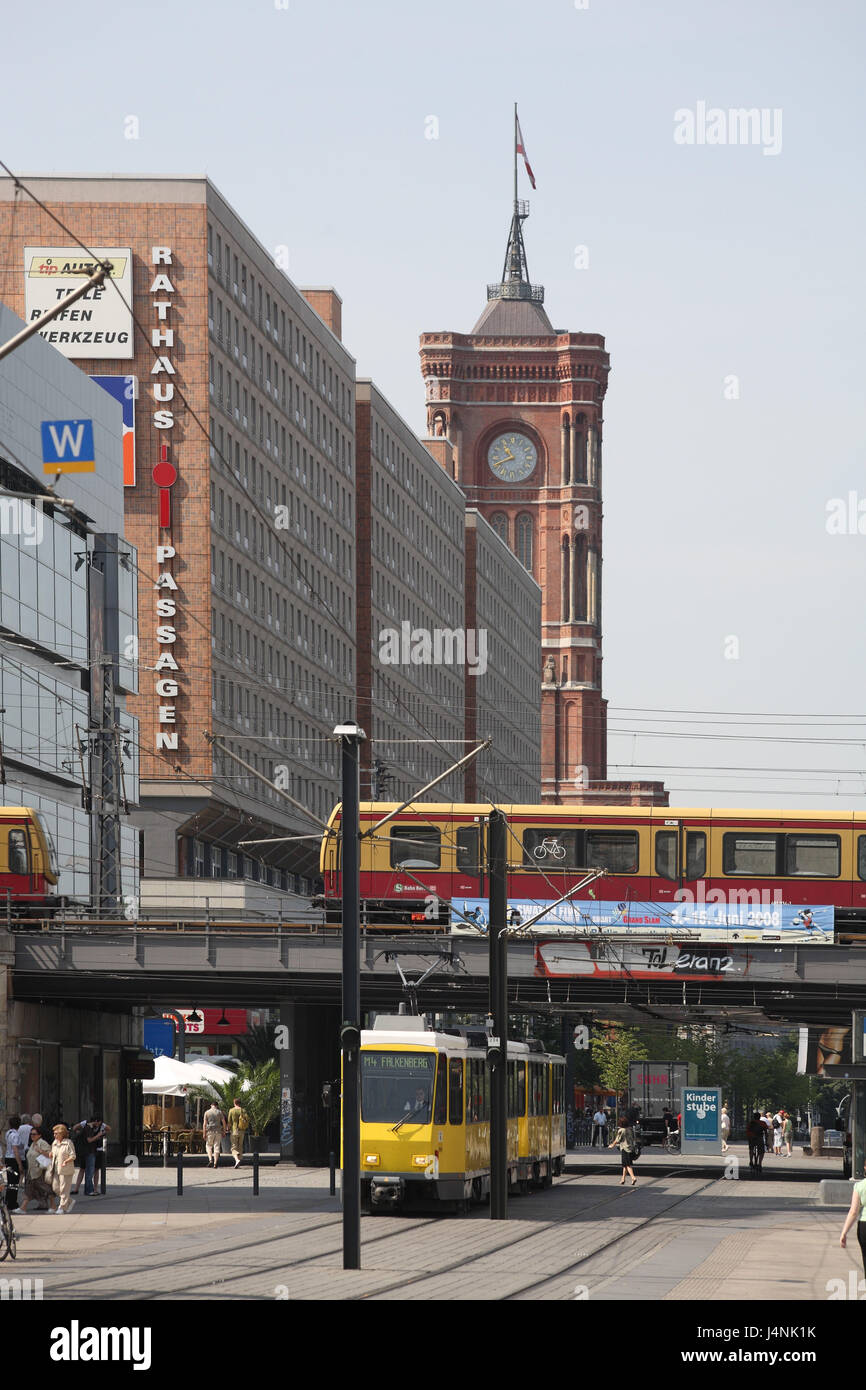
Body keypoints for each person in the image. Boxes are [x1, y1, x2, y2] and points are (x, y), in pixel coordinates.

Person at [18, 1126, 56, 1214]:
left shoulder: (42, 1143)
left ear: (39, 1135)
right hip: (32, 1172)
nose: (32, 1136)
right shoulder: (33, 1144)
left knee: (47, 1189)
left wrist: (41, 1151)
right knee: (29, 1190)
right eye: (31, 1134)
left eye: (34, 1134)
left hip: (40, 1171)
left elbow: (51, 1154)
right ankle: (23, 1207)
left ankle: (53, 1206)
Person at [839, 1158, 866, 1275]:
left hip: (864, 1227)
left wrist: (844, 1232)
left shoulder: (859, 1186)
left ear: (865, 1168)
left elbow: (853, 1212)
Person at [48, 1124, 76, 1214]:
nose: (54, 1135)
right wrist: (51, 1154)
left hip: (65, 1169)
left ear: (62, 1134)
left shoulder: (68, 1143)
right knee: (56, 1188)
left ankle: (62, 1207)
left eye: (56, 1133)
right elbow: (53, 1152)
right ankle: (69, 1200)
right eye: (54, 1133)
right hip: (55, 1168)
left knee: (64, 1188)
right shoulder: (55, 1143)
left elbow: (73, 1155)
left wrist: (66, 1161)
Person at [609, 1114, 638, 1187]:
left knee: (628, 1165)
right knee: (625, 1165)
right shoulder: (630, 1129)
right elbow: (634, 1138)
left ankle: (633, 1177)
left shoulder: (621, 1130)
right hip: (631, 1148)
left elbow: (617, 1139)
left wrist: (612, 1145)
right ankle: (623, 1179)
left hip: (625, 1149)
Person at [4, 1115, 24, 1210]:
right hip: (13, 1159)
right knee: (14, 1182)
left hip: (8, 1158)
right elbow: (15, 1149)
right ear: (19, 1125)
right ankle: (12, 1202)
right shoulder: (15, 1135)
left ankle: (8, 1200)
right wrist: (19, 1164)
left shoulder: (8, 1133)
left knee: (10, 1181)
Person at [227, 1096, 250, 1168]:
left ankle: (237, 1160)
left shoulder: (232, 1110)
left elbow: (229, 1121)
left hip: (234, 1130)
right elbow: (247, 1119)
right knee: (240, 1146)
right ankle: (238, 1162)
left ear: (234, 1103)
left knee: (234, 1147)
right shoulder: (243, 1110)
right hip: (242, 1130)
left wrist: (228, 1128)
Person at [202, 1103, 226, 1168]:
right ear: (217, 1106)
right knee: (217, 1146)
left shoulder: (207, 1112)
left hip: (209, 1131)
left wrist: (204, 1133)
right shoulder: (220, 1112)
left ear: (211, 1105)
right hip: (218, 1131)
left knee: (209, 1146)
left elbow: (204, 1124)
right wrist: (224, 1131)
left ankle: (210, 1159)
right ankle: (215, 1162)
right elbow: (223, 1122)